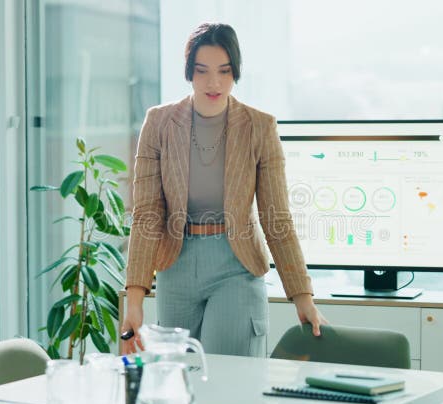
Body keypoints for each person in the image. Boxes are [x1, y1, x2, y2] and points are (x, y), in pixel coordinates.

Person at [121, 22, 327, 357]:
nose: (213, 83)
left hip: (236, 265)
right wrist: (134, 300)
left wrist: (302, 296)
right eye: (202, 71)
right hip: (176, 265)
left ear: (236, 73)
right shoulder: (158, 124)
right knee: (178, 383)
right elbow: (147, 214)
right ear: (189, 73)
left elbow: (276, 217)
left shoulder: (260, 127)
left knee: (231, 382)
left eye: (224, 71)